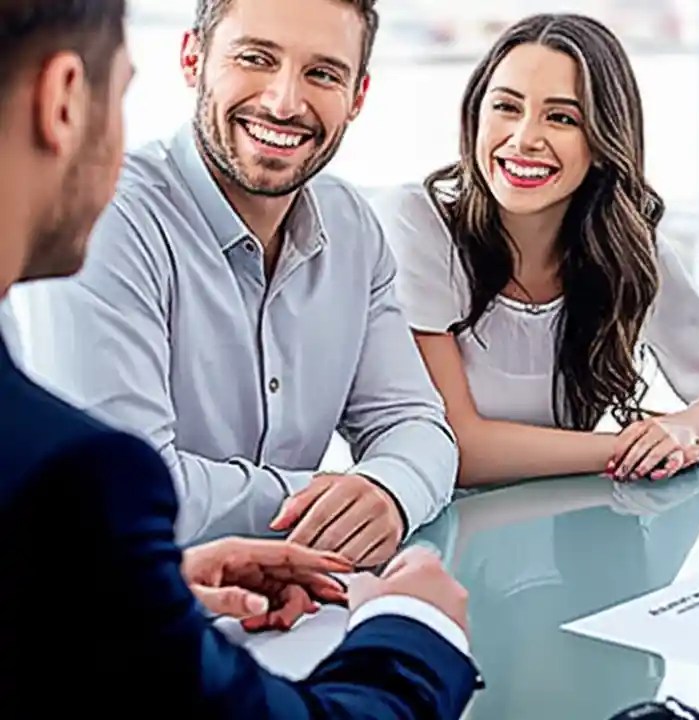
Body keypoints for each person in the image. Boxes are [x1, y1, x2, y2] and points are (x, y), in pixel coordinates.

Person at [0, 0, 480, 715]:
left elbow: (418, 424)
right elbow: (139, 485)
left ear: (357, 96)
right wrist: (412, 624)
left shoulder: (354, 226)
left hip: (234, 608)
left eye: (322, 72)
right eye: (255, 57)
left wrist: (388, 489)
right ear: (192, 60)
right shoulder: (120, 220)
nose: (285, 101)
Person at [371, 14, 699, 488]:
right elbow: (456, 446)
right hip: (435, 535)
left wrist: (683, 425)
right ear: (475, 115)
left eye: (562, 117)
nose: (524, 139)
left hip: (566, 533)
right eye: (506, 107)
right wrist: (634, 448)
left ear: (603, 142)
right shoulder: (417, 222)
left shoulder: (625, 250)